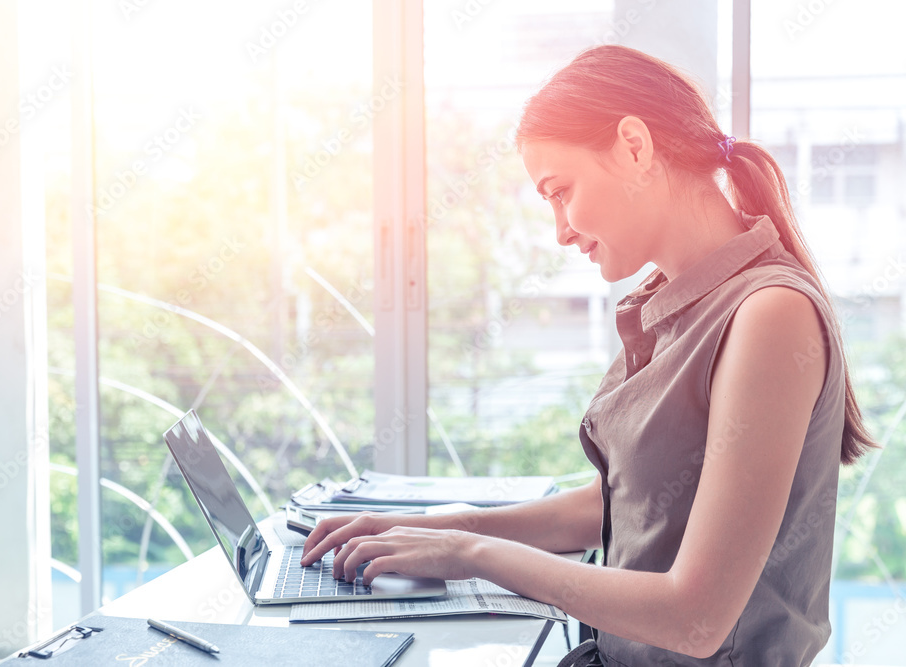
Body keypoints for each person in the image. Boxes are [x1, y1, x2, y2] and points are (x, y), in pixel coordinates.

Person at [300, 44, 875, 665]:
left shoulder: (769, 315)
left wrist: (471, 556)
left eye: (560, 191)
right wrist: (443, 528)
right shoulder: (675, 301)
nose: (561, 231)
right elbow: (618, 501)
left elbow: (698, 619)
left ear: (634, 147)